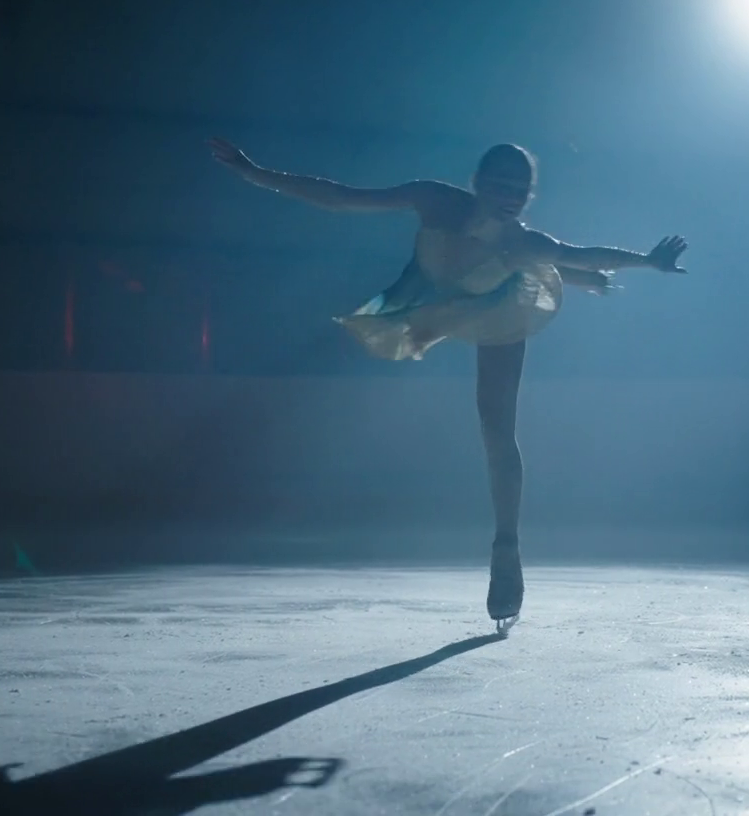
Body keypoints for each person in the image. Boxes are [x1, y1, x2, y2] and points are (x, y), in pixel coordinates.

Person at [208, 138, 687, 632]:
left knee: (496, 428)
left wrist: (648, 262)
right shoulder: (434, 199)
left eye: (521, 190)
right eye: (500, 185)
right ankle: (562, 278)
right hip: (431, 289)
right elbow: (342, 196)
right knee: (393, 327)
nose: (510, 196)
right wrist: (255, 172)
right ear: (476, 183)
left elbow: (580, 251)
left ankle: (507, 549)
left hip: (498, 304)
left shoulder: (521, 240)